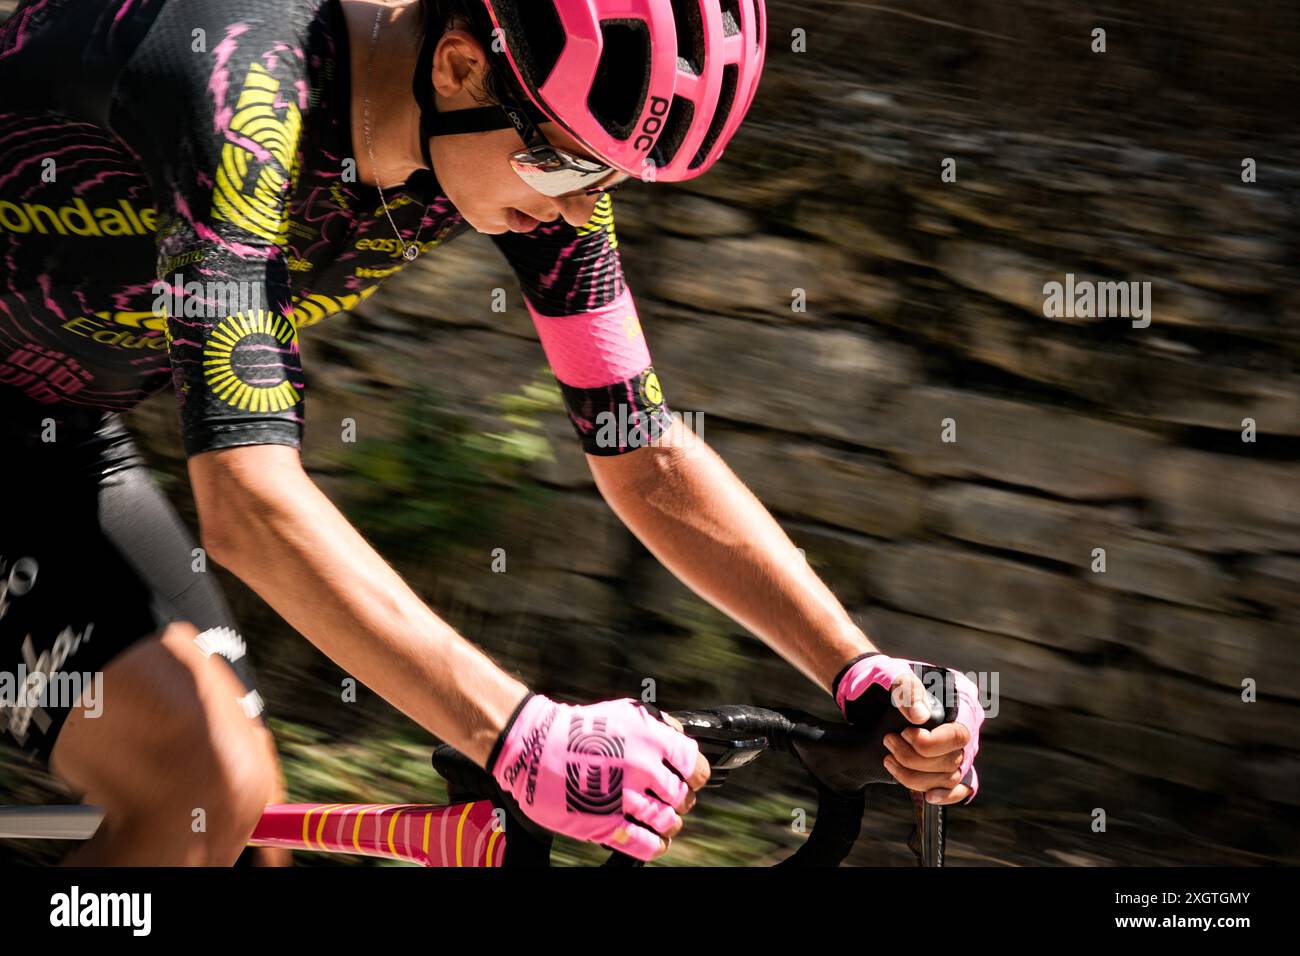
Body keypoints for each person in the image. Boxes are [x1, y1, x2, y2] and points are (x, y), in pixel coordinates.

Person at [0, 0, 982, 866]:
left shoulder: (508, 141)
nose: (578, 208)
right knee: (199, 774)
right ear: (460, 62)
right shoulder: (240, 81)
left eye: (615, 178)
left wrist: (858, 670)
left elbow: (642, 449)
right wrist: (517, 732)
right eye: (572, 161)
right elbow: (249, 504)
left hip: (49, 423)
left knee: (224, 811)